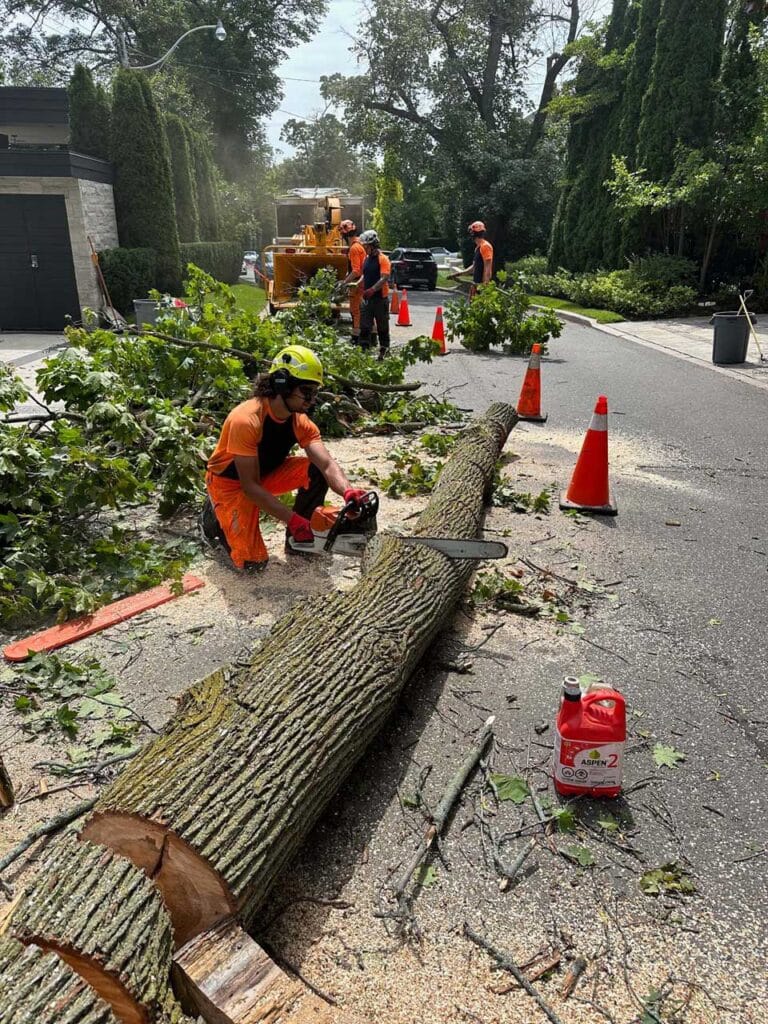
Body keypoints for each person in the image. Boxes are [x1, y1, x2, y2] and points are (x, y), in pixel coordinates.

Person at [200, 344, 371, 572]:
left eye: (315, 393)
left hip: (266, 474)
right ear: (282, 383)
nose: (311, 400)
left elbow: (326, 464)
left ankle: (300, 541)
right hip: (231, 485)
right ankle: (214, 521)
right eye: (306, 392)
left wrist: (348, 491)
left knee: (315, 470)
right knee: (252, 565)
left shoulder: (299, 421)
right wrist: (291, 518)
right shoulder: (247, 419)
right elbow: (249, 487)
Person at [357, 229, 391, 361]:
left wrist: (372, 289)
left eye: (366, 246)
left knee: (382, 327)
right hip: (367, 299)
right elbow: (365, 275)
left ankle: (384, 350)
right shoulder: (366, 259)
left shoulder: (383, 259)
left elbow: (384, 278)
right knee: (365, 326)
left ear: (372, 245)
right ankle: (363, 353)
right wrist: (358, 284)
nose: (364, 249)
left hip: (379, 299)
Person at [339, 219, 366, 345]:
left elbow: (355, 271)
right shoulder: (360, 245)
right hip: (362, 282)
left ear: (345, 235)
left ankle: (356, 338)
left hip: (357, 284)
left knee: (355, 311)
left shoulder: (354, 248)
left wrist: (344, 282)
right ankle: (372, 337)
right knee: (363, 311)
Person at [451, 221, 494, 299]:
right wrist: (459, 274)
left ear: (473, 234)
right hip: (476, 285)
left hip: (481, 287)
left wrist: (485, 287)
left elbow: (488, 270)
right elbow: (474, 267)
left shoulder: (485, 247)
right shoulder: (478, 248)